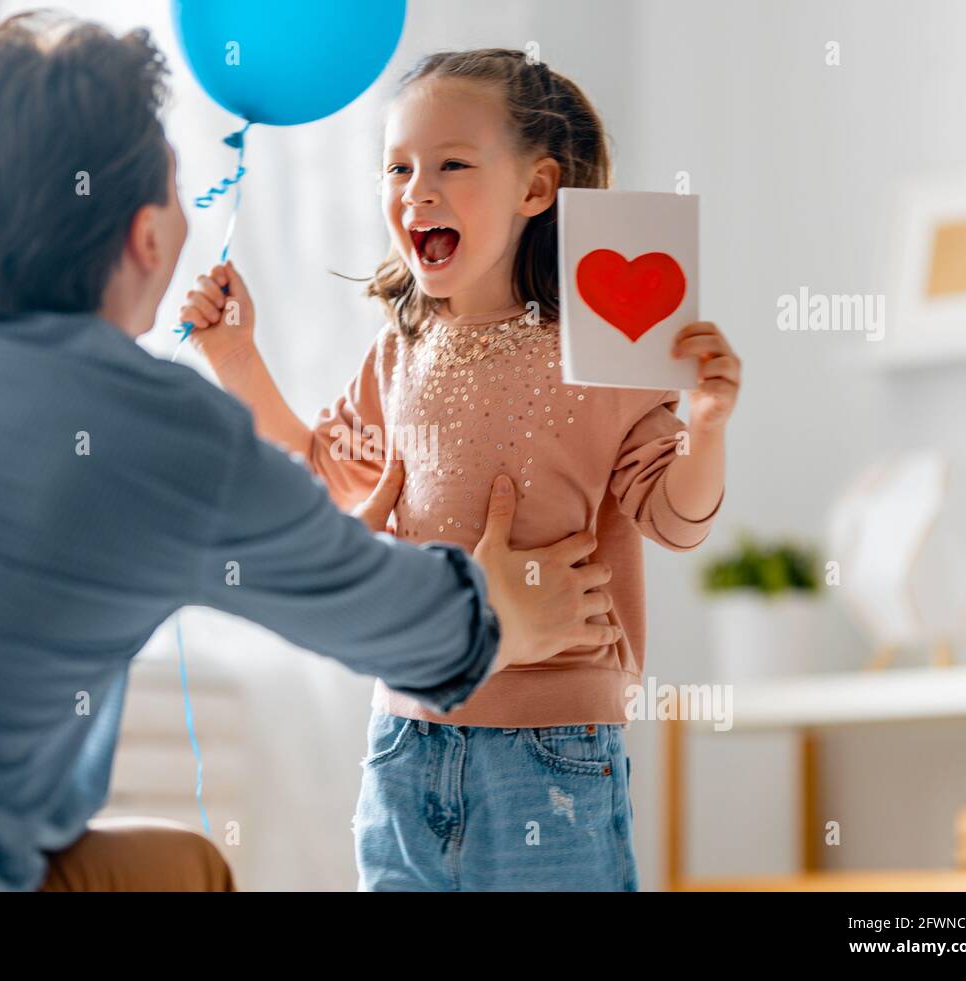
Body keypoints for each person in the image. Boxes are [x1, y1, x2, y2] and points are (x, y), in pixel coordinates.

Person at [0, 17, 618, 892]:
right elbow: (417, 629)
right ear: (147, 235)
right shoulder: (156, 429)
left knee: (172, 865)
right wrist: (497, 607)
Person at [181, 49, 739, 891]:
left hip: (552, 752)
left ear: (536, 187)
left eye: (451, 164)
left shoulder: (602, 351)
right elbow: (322, 477)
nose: (417, 190)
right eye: (398, 167)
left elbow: (674, 516)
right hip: (406, 739)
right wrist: (236, 359)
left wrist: (707, 426)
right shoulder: (399, 352)